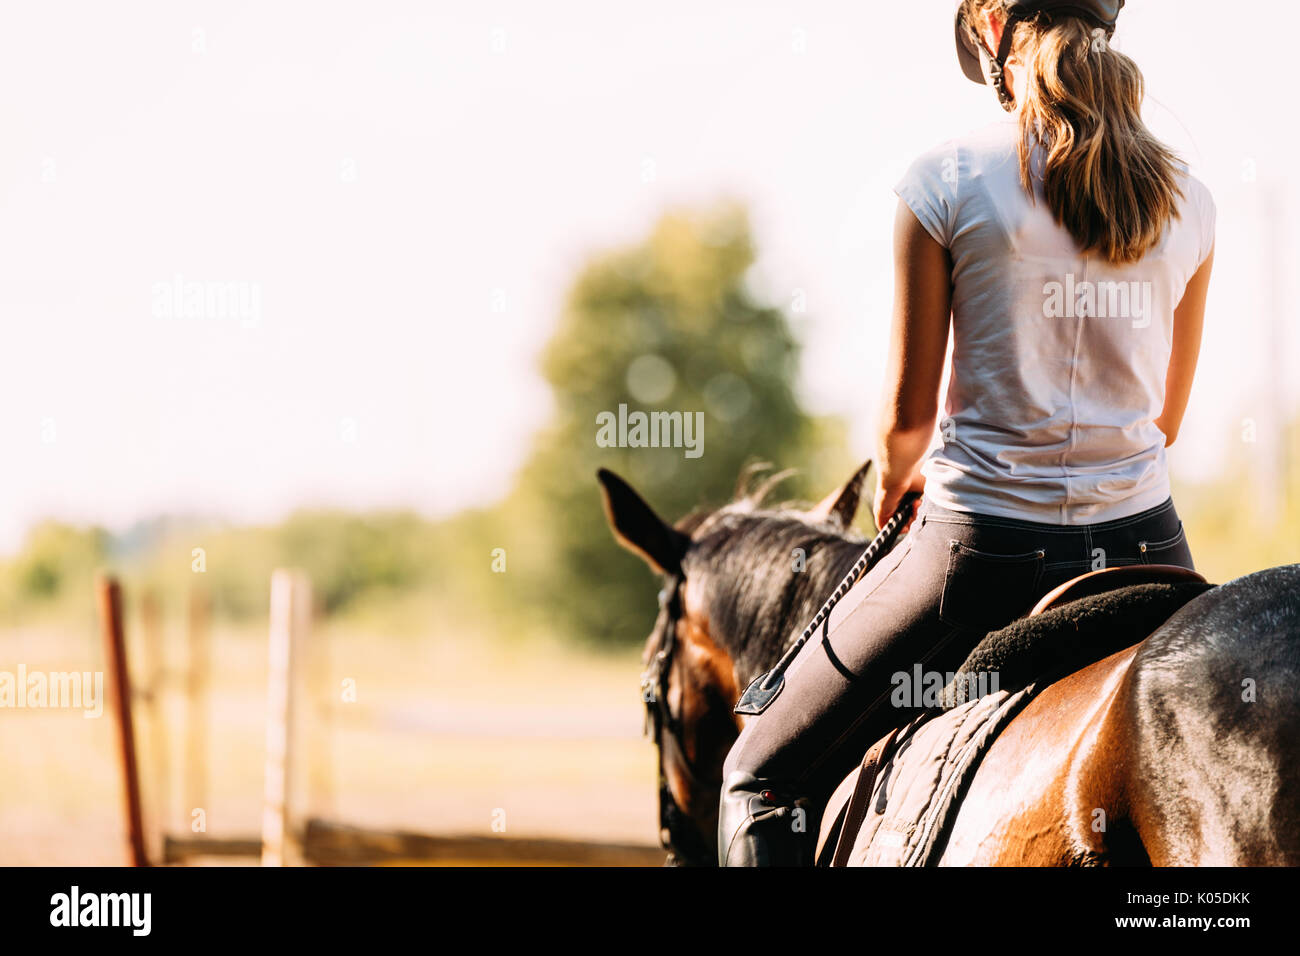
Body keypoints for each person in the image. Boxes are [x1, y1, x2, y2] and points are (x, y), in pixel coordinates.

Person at [718, 0, 1216, 866]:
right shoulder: (1193, 200)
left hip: (979, 556)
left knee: (759, 775)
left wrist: (893, 485)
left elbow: (907, 421)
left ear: (990, 27)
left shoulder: (943, 180)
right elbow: (1164, 422)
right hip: (1150, 548)